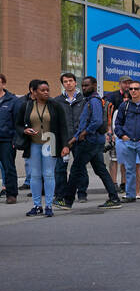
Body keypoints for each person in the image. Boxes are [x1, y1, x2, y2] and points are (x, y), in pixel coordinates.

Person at [60, 76, 122, 210]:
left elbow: (96, 122)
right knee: (100, 170)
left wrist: (84, 133)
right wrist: (74, 138)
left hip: (90, 142)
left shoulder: (94, 101)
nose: (84, 88)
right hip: (92, 141)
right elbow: (83, 123)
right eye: (82, 86)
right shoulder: (88, 101)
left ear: (94, 86)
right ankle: (114, 198)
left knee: (76, 170)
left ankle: (67, 201)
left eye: (86, 85)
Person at [16, 79, 69, 216]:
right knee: (35, 175)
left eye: (47, 90)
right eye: (42, 90)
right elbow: (17, 125)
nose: (46, 92)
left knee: (49, 174)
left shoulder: (55, 105)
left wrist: (65, 145)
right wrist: (24, 131)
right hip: (33, 144)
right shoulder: (26, 106)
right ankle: (37, 205)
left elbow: (63, 127)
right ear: (33, 92)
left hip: (50, 142)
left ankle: (49, 206)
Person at [113, 82, 140, 203]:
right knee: (129, 169)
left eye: (136, 89)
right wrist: (122, 135)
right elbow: (118, 124)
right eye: (131, 89)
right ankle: (130, 194)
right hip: (128, 142)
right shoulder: (124, 106)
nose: (133, 91)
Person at [54, 71, 88, 205]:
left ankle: (82, 193)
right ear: (62, 84)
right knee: (60, 168)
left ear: (75, 82)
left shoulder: (84, 99)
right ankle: (60, 194)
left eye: (70, 81)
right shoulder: (57, 101)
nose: (68, 84)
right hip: (63, 139)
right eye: (65, 82)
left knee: (80, 167)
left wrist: (82, 134)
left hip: (79, 138)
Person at [0, 72, 20, 204]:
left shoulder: (13, 100)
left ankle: (11, 194)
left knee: (9, 168)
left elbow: (18, 122)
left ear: (3, 84)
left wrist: (15, 140)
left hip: (6, 140)